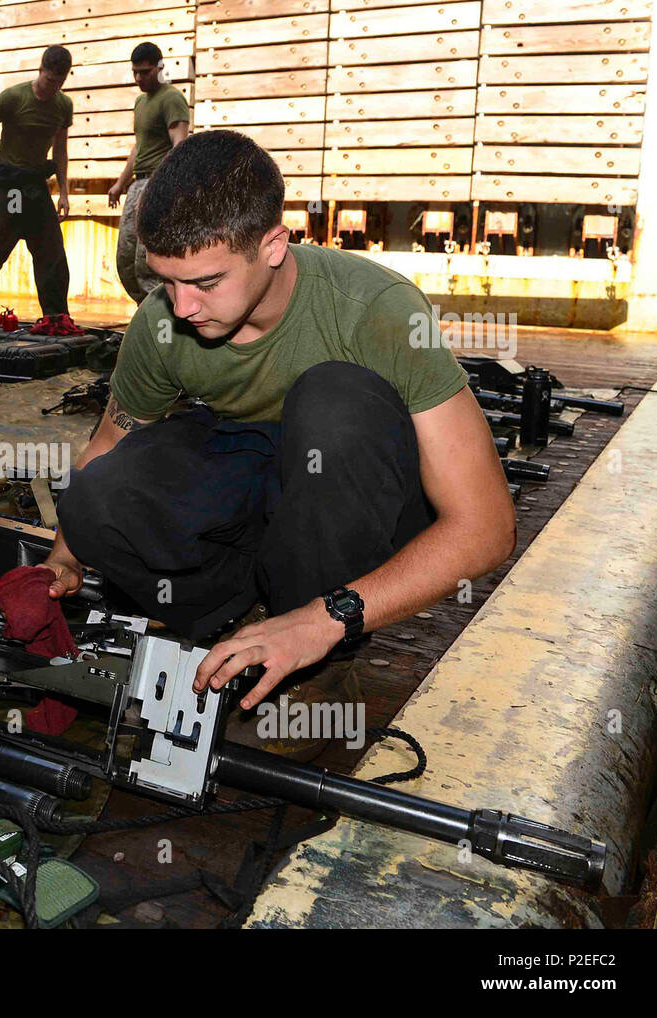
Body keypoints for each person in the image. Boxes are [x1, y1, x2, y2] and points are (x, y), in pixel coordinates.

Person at [44, 131, 515, 753]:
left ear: (272, 245)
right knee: (94, 499)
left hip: (355, 499)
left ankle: (316, 655)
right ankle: (243, 619)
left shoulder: (376, 309)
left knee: (336, 401)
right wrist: (63, 557)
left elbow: (487, 527)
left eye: (207, 283)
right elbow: (107, 443)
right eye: (167, 282)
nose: (183, 307)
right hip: (262, 484)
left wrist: (326, 620)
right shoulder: (163, 321)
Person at [0, 45, 84, 336]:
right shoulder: (14, 97)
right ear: (41, 71)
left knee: (51, 250)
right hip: (10, 187)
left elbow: (60, 150)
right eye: (50, 80)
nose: (53, 87)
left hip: (37, 186)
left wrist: (64, 191)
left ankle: (56, 316)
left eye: (59, 82)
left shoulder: (63, 105)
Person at [108, 42, 190, 304]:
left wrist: (164, 188)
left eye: (145, 72)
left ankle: (162, 322)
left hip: (157, 185)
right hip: (137, 185)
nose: (139, 78)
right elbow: (139, 146)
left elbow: (180, 146)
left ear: (159, 67)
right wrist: (120, 183)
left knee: (148, 262)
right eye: (135, 72)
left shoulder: (172, 98)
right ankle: (147, 312)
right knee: (125, 261)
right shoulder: (140, 102)